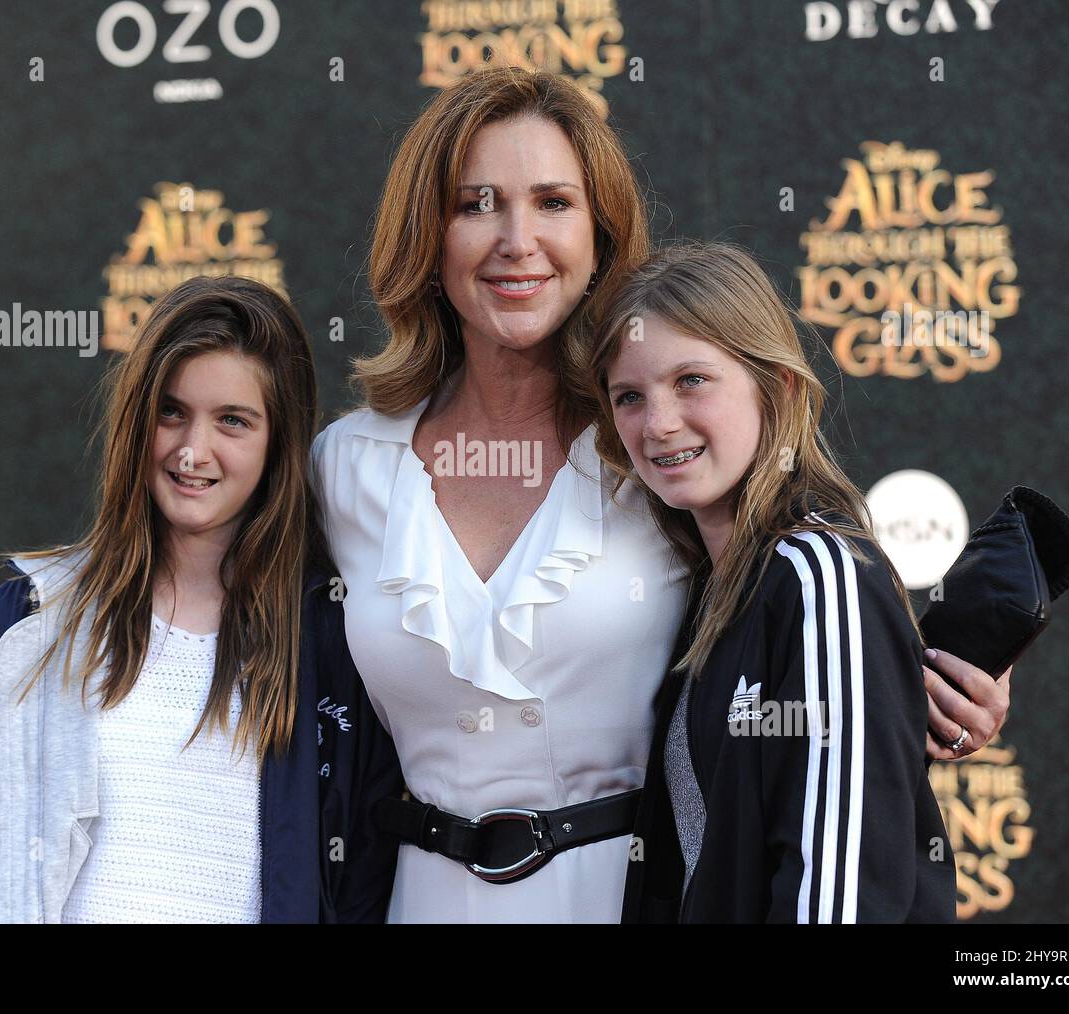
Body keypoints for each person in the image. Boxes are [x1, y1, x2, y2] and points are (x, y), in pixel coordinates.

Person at [312, 66, 1008, 923]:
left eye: (555, 203)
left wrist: (932, 680)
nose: (517, 239)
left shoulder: (660, 455)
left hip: (639, 897)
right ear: (428, 233)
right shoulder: (344, 468)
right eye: (477, 202)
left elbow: (807, 620)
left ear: (602, 233)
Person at [0, 275, 401, 923]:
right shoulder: (30, 621)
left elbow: (365, 891)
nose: (192, 450)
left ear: (277, 442)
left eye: (233, 420)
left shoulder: (333, 646)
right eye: (171, 412)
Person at [594, 242, 963, 922]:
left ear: (778, 385)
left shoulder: (820, 575)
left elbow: (840, 898)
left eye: (692, 381)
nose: (659, 423)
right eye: (630, 396)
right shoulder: (709, 587)